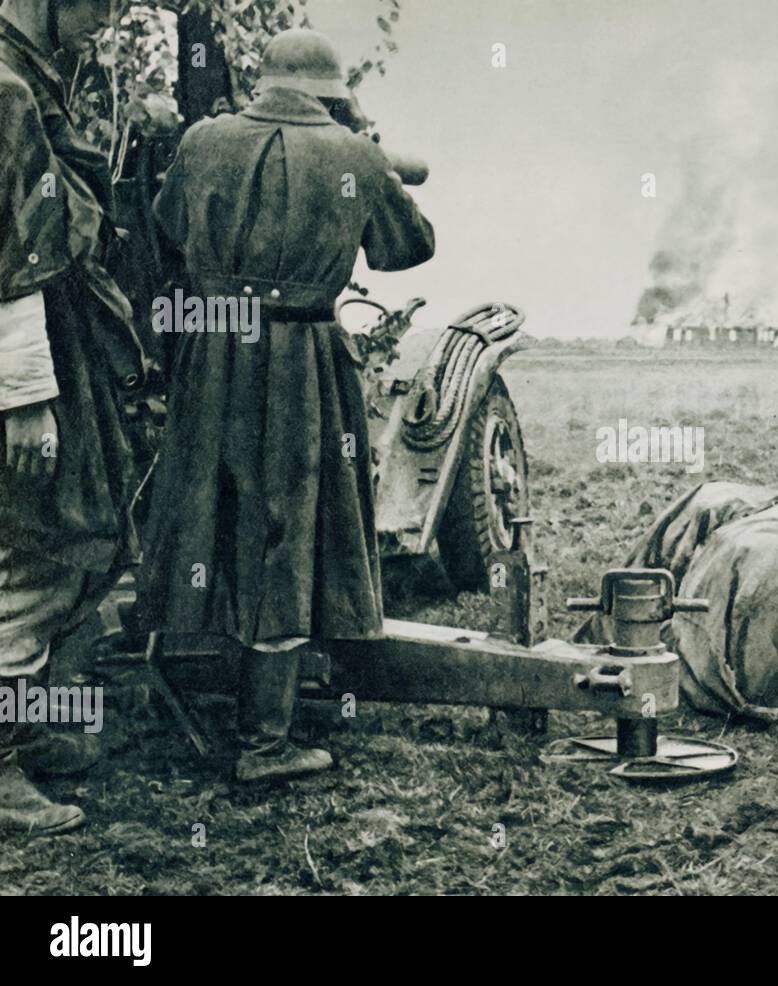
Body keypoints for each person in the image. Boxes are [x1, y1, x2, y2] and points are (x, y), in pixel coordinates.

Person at [137, 28, 435, 784]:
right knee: (289, 528)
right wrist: (364, 152)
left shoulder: (204, 140)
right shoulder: (353, 154)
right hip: (302, 360)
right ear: (331, 94)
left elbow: (168, 225)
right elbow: (408, 248)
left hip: (212, 350)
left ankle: (188, 678)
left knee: (207, 507)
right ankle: (264, 742)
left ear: (263, 82)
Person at [0, 0, 142, 835]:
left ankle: (25, 727)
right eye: (96, 0)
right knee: (39, 548)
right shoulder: (7, 91)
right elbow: (16, 257)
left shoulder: (31, 81)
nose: (108, 17)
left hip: (47, 354)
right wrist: (25, 399)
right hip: (28, 365)